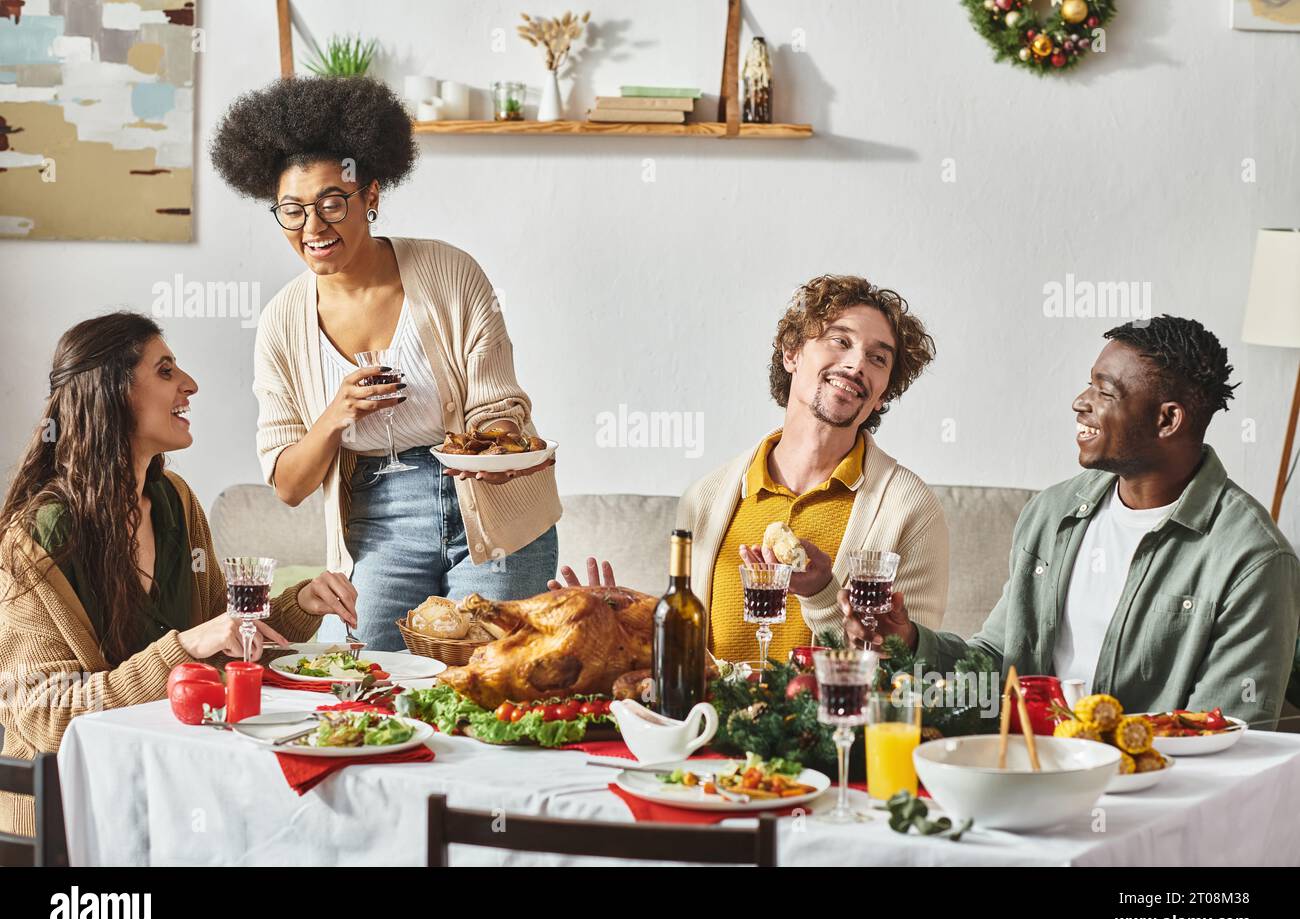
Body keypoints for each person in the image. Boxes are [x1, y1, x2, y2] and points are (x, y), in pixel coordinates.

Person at [210, 76, 561, 650]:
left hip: (494, 506)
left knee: (490, 679)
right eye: (293, 211)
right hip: (378, 518)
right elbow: (289, 484)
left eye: (331, 203)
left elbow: (501, 405)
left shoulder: (450, 273)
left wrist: (494, 442)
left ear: (370, 195)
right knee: (371, 681)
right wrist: (335, 416)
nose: (313, 228)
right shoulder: (280, 322)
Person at [842, 316, 1300, 730]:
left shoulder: (1252, 559)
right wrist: (909, 639)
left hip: (1145, 798)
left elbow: (1224, 735)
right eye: (1088, 386)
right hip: (1021, 769)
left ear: (1168, 419)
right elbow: (1001, 663)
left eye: (1105, 392)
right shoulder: (1054, 513)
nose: (1081, 403)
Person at [0, 313, 355, 836]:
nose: (190, 384)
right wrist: (184, 649)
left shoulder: (176, 504)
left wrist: (299, 605)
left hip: (172, 783)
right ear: (112, 394)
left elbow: (221, 636)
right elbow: (44, 712)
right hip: (72, 812)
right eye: (165, 371)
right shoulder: (37, 539)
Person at [553, 275, 949, 664]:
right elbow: (689, 657)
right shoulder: (706, 499)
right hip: (711, 726)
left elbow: (907, 673)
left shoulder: (909, 509)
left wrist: (823, 595)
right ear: (791, 352)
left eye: (877, 358)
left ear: (883, 394)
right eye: (840, 341)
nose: (856, 363)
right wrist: (623, 626)